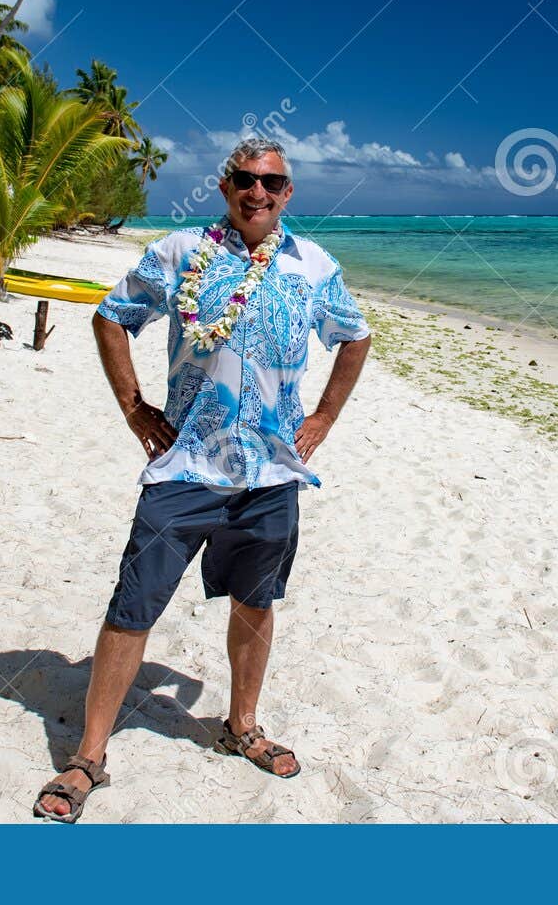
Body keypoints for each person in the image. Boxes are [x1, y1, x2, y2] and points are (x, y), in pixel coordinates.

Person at [33, 137, 372, 822]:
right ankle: (89, 755)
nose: (258, 192)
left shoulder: (314, 265)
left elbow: (355, 335)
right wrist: (135, 410)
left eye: (272, 183)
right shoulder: (181, 252)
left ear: (288, 194)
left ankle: (240, 724)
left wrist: (326, 416)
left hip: (272, 468)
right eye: (246, 180)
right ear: (225, 187)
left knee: (256, 600)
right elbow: (110, 317)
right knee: (134, 601)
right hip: (188, 463)